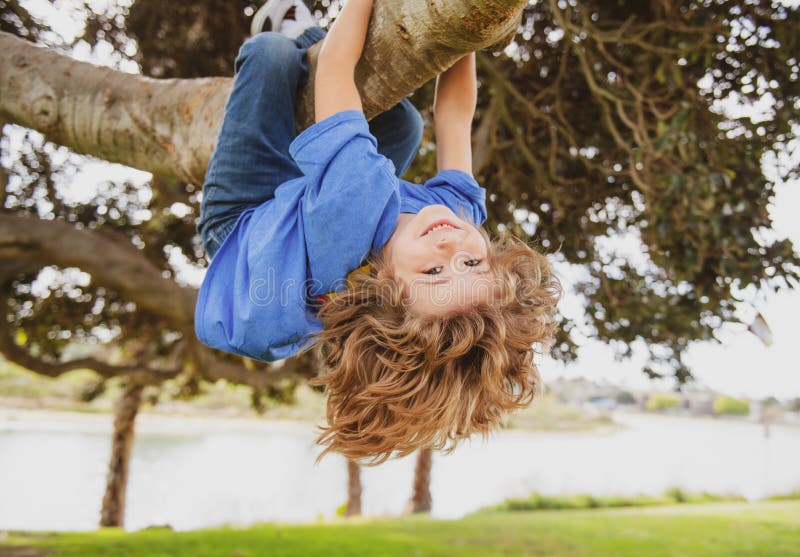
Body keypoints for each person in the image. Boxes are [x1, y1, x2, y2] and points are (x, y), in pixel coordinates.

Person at [195, 0, 561, 464]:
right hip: (311, 217)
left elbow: (336, 66)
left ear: (379, 286)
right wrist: (469, 30)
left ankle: (298, 30)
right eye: (472, 264)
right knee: (404, 123)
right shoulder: (457, 218)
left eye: (433, 271)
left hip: (243, 222)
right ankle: (322, 153)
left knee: (270, 57)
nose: (453, 245)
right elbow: (453, 117)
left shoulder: (355, 204)